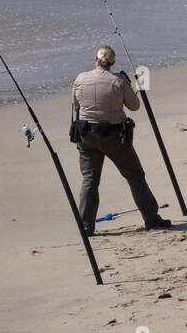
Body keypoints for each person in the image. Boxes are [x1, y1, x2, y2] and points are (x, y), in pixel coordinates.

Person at [72, 46, 171, 234]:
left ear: (95, 60)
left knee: (89, 179)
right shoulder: (118, 80)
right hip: (113, 136)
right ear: (112, 63)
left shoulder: (80, 79)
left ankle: (86, 225)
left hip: (86, 135)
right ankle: (151, 218)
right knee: (135, 175)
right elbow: (134, 106)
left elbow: (75, 104)